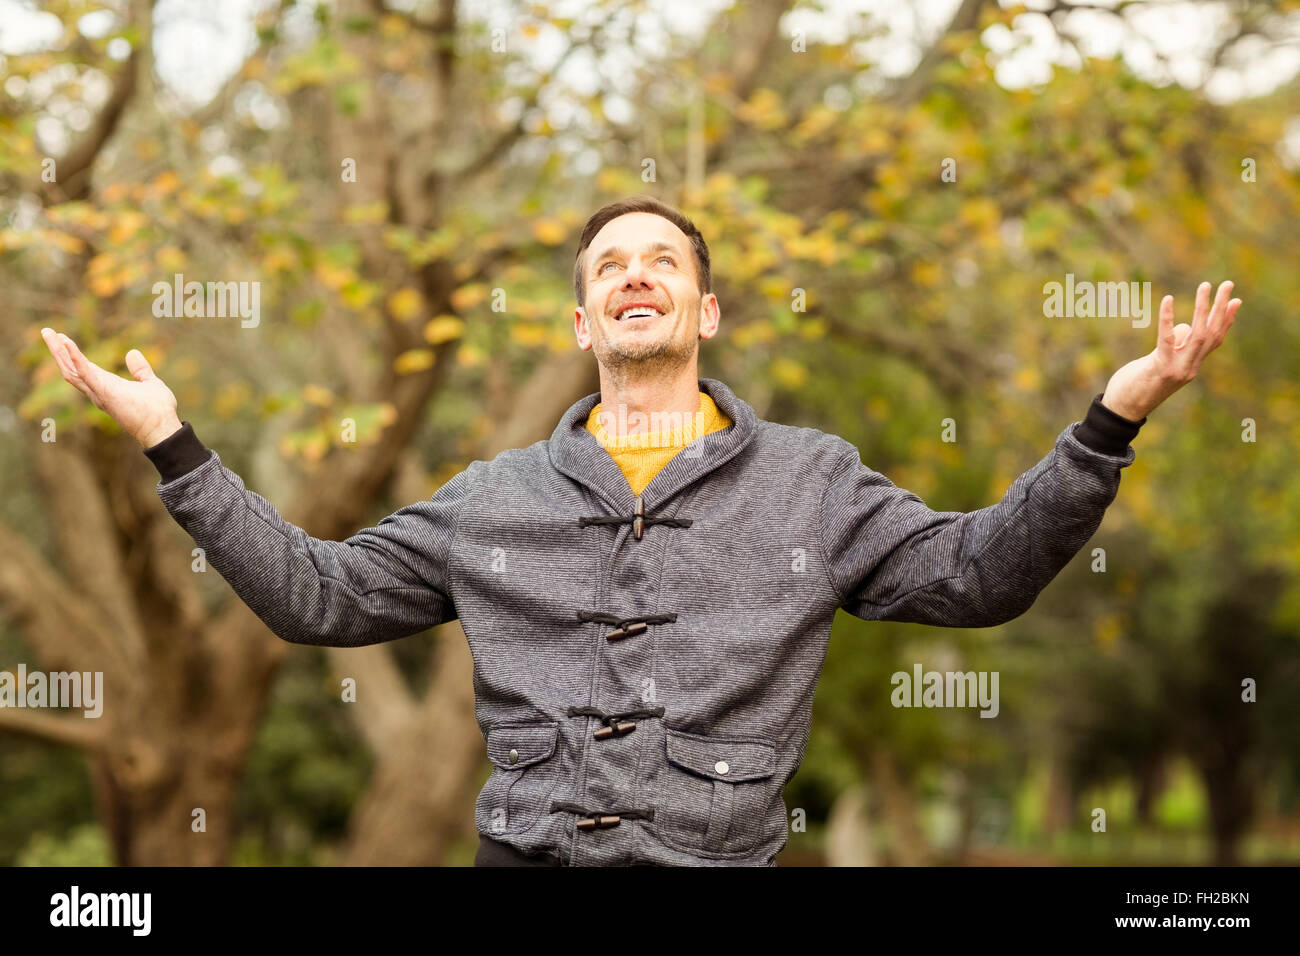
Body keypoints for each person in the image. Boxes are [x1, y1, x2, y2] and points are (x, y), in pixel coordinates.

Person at [40, 195, 1241, 866]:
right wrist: (174, 445)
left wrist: (1106, 423)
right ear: (582, 318)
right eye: (609, 263)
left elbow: (977, 576)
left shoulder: (812, 482)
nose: (635, 273)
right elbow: (320, 596)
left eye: (660, 259)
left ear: (703, 308)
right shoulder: (492, 494)